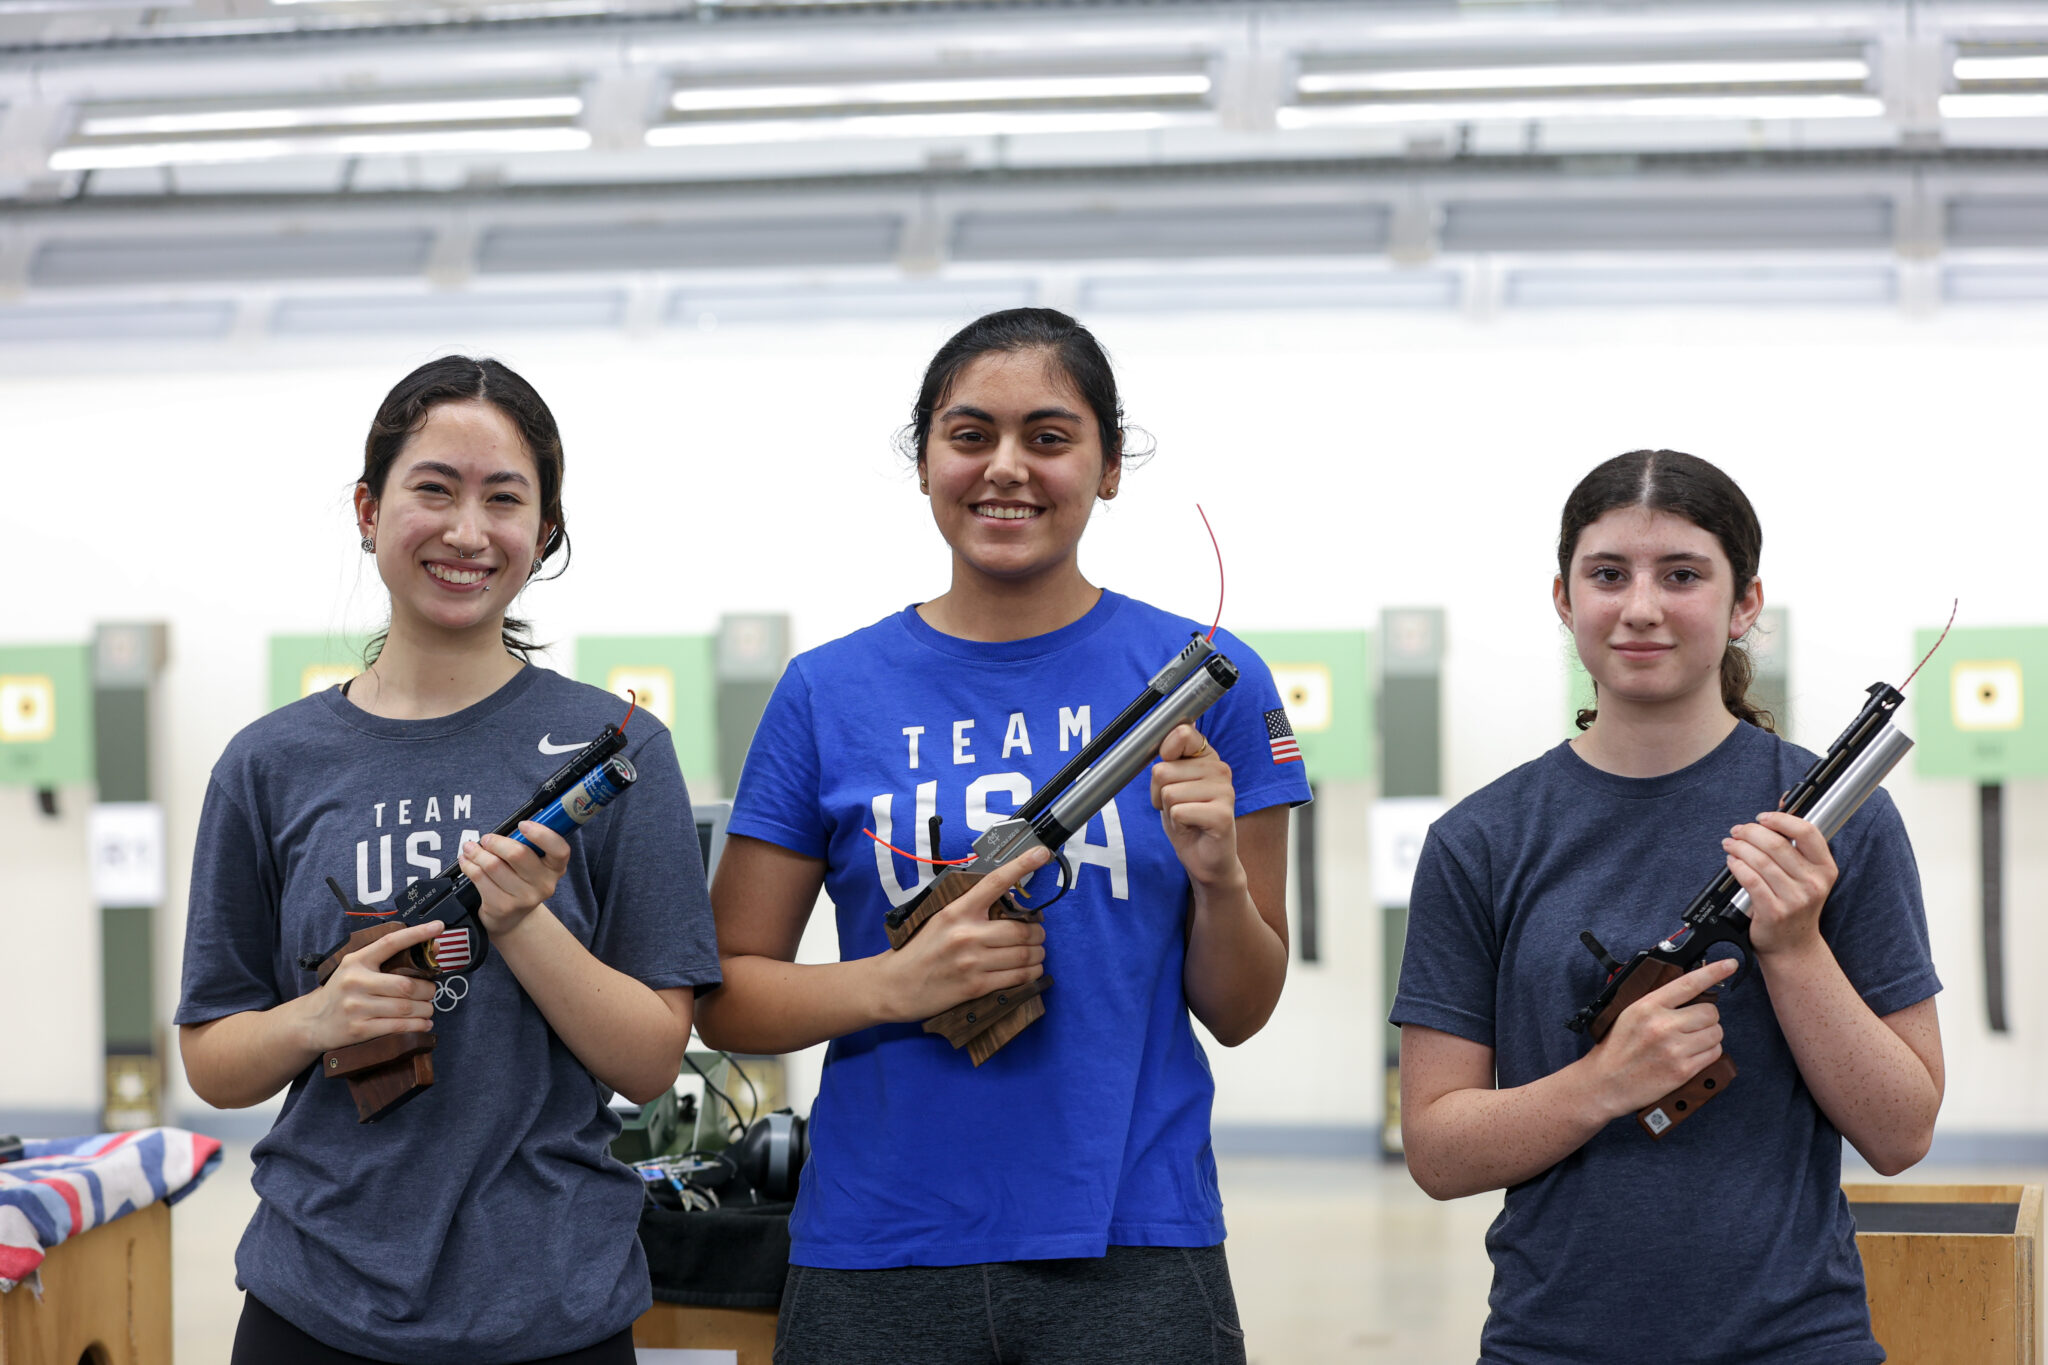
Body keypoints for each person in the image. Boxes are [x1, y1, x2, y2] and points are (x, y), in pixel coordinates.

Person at [696, 308, 1310, 1364]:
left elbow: (1242, 1008)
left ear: (1108, 466)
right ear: (925, 458)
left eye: (1049, 436)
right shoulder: (826, 694)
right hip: (876, 1253)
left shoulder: (1204, 680)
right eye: (969, 435)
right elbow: (726, 992)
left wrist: (1215, 878)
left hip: (1133, 1246)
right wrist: (897, 985)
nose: (1005, 470)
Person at [176, 356, 720, 1364]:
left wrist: (519, 922)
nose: (468, 532)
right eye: (434, 489)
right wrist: (319, 1018)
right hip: (315, 1303)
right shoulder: (269, 763)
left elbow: (648, 1064)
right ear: (368, 508)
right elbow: (211, 1057)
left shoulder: (617, 751)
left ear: (543, 533)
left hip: (552, 1306)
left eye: (504, 500)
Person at [1393, 449, 1944, 1365]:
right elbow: (1438, 1150)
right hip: (1553, 1343)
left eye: (1682, 574)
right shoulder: (1481, 841)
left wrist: (1797, 946)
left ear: (1745, 605)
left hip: (1799, 1341)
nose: (1641, 606)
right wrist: (1603, 1082)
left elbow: (1902, 1131)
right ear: (1565, 600)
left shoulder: (1841, 824)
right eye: (1608, 574)